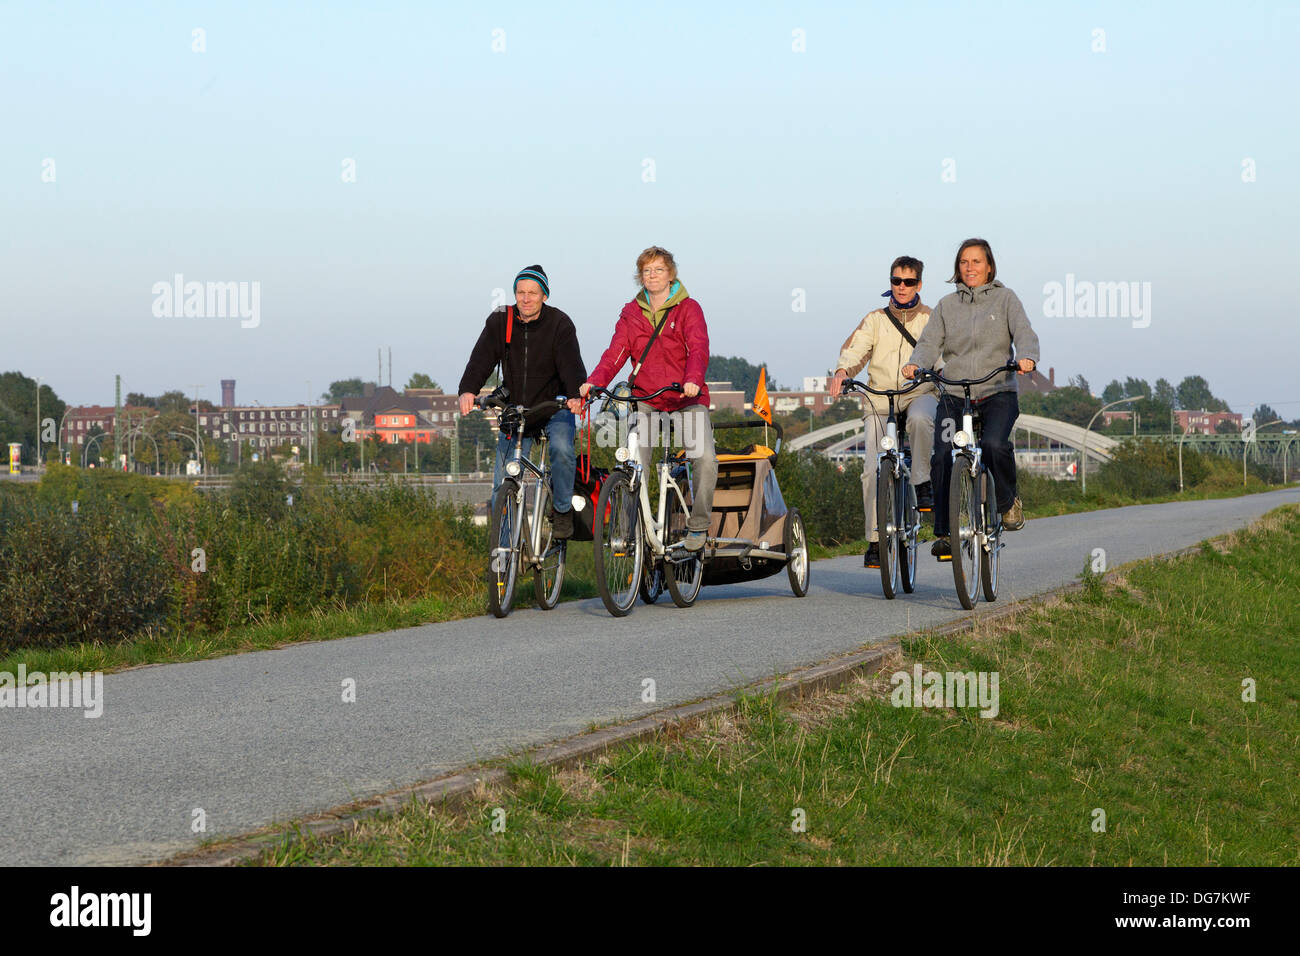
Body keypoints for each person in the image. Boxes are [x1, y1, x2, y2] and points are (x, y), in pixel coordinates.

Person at [903, 238, 1040, 559]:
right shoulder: (946, 306)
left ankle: (1007, 503)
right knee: (942, 455)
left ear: (989, 266)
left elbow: (1024, 332)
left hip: (997, 391)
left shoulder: (1006, 299)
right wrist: (916, 363)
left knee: (993, 445)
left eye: (976, 261)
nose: (970, 267)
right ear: (957, 268)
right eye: (964, 262)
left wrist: (1028, 357)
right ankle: (945, 532)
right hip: (955, 393)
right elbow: (928, 342)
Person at [580, 246, 717, 552]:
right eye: (647, 271)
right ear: (640, 276)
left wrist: (693, 379)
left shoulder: (688, 309)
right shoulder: (631, 313)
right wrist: (594, 381)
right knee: (633, 465)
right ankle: (628, 531)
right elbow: (615, 353)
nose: (653, 276)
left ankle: (698, 525)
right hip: (648, 398)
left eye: (659, 270)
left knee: (705, 459)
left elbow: (698, 348)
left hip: (685, 397)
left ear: (671, 275)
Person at [458, 265, 586, 538]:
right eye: (520, 292)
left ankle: (562, 510)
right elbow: (481, 358)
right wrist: (468, 390)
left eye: (533, 293)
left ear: (545, 296)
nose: (525, 299)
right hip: (516, 409)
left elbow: (572, 366)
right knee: (502, 483)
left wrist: (576, 396)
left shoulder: (560, 324)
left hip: (554, 406)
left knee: (562, 449)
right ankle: (504, 556)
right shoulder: (500, 320)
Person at [829, 255, 938, 569]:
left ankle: (920, 480)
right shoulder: (875, 319)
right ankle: (875, 540)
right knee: (872, 469)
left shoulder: (931, 318)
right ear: (890, 282)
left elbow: (942, 354)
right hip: (880, 399)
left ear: (919, 284)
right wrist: (842, 371)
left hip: (918, 393)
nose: (901, 288)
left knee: (920, 419)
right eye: (896, 281)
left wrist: (938, 375)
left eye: (908, 282)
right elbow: (855, 348)